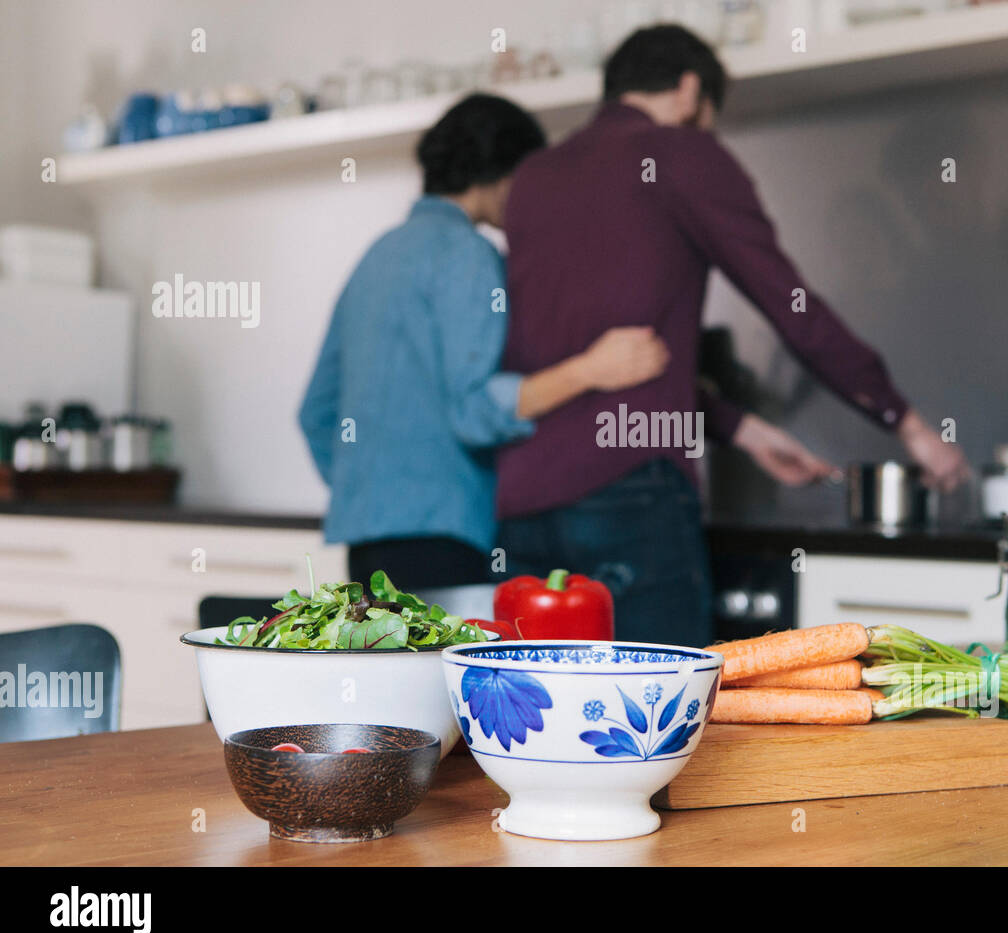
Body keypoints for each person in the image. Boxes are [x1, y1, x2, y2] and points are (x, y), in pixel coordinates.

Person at [494, 25, 971, 647]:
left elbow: (580, 353)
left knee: (533, 727)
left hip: (522, 502)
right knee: (660, 722)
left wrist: (742, 429)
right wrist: (906, 422)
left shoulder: (533, 177)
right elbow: (791, 305)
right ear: (692, 90)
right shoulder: (683, 153)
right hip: (630, 493)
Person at [298, 94, 671, 590]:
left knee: (381, 667)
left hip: (364, 541)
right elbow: (472, 409)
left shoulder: (377, 256)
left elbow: (315, 414)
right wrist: (590, 369)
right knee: (453, 670)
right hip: (446, 542)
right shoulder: (469, 254)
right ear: (501, 175)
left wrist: (374, 492)